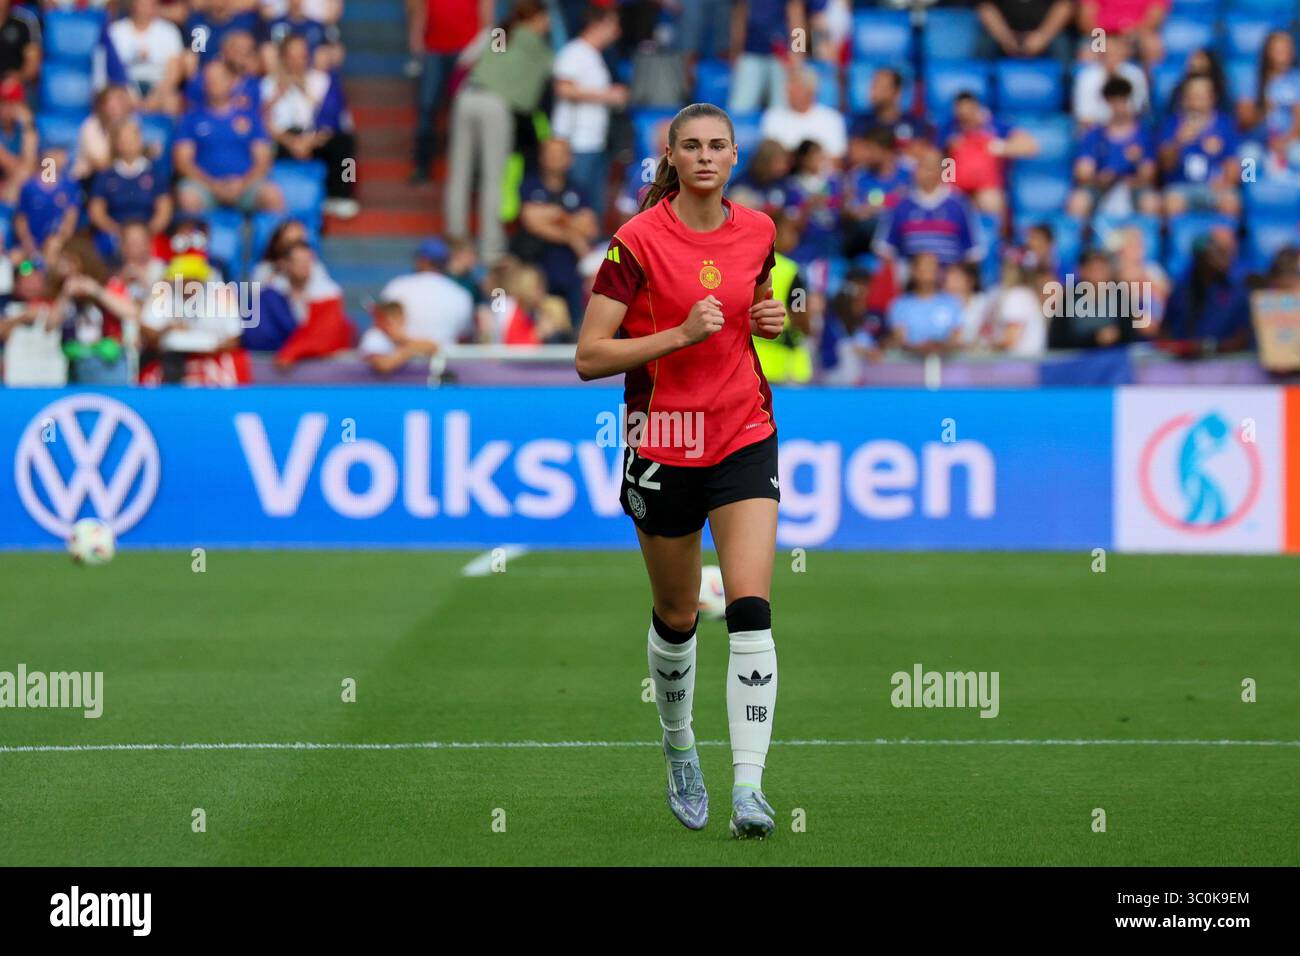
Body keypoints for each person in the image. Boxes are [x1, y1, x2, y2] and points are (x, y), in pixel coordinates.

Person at [575, 102, 787, 840]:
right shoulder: (636, 240)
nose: (704, 156)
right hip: (663, 439)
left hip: (741, 431)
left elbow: (754, 302)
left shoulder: (759, 230)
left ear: (735, 157)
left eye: (717, 146)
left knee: (751, 608)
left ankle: (750, 788)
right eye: (691, 146)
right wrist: (676, 333)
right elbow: (589, 357)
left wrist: (770, 317)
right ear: (671, 154)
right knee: (677, 614)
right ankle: (679, 746)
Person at [444, 0, 553, 264]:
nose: (548, 25)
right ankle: (490, 247)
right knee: (493, 177)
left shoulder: (496, 30)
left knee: (458, 173)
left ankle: (456, 240)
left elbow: (464, 61)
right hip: (496, 107)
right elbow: (531, 98)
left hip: (467, 97)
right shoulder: (540, 48)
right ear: (536, 18)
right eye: (545, 19)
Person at [174, 59, 285, 215]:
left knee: (272, 195)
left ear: (232, 82)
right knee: (188, 198)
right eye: (209, 79)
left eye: (219, 78)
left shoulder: (250, 117)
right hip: (205, 186)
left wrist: (242, 184)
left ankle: (277, 239)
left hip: (245, 185)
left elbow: (263, 159)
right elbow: (183, 162)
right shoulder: (191, 119)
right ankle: (197, 239)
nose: (214, 83)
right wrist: (213, 186)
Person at [550, 5, 626, 218]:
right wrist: (608, 95)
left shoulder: (594, 55)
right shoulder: (575, 51)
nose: (617, 31)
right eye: (613, 24)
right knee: (576, 204)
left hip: (594, 141)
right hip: (576, 142)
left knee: (594, 205)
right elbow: (563, 88)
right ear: (598, 25)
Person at [515, 136, 599, 326]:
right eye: (549, 154)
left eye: (559, 155)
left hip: (571, 274)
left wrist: (555, 216)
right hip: (537, 270)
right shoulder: (529, 186)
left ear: (570, 159)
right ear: (541, 157)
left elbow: (589, 227)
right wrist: (571, 234)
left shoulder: (579, 190)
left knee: (574, 327)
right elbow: (531, 221)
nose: (554, 159)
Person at [409, 0, 493, 183]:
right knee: (426, 105)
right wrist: (416, 35)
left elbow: (487, 13)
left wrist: (483, 50)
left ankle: (471, 170)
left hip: (467, 49)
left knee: (464, 110)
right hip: (433, 48)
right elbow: (420, 8)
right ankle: (422, 166)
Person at [1068, 76, 1158, 219]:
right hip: (1100, 187)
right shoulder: (1094, 134)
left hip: (1133, 187)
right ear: (1107, 102)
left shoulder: (1144, 135)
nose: (1119, 105)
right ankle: (1081, 238)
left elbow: (1148, 174)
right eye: (1114, 100)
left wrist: (1131, 178)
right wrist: (1100, 179)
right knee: (1078, 201)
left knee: (1151, 203)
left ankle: (1147, 239)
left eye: (1123, 99)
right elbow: (1083, 172)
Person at [374, 237, 475, 354]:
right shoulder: (460, 294)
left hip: (403, 366)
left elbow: (382, 326)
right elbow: (464, 335)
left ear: (422, 260)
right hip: (443, 364)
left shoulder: (397, 287)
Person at [1158, 74, 1239, 218]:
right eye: (1192, 95)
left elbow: (1236, 165)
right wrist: (1178, 142)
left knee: (1231, 203)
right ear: (1184, 98)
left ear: (1212, 98)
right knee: (1171, 203)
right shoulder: (1172, 124)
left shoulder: (1225, 124)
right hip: (1181, 187)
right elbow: (1165, 166)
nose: (1196, 101)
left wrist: (1225, 181)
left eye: (1202, 95)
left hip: (1215, 187)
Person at [110, 0, 186, 112]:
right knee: (113, 101)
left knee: (172, 102)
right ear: (133, 5)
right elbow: (113, 68)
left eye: (150, 4)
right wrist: (130, 95)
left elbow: (174, 71)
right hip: (126, 86)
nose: (145, 8)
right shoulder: (116, 31)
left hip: (158, 86)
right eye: (142, 4)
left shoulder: (169, 31)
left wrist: (156, 97)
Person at [758, 66, 847, 161]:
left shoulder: (832, 119)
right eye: (788, 89)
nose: (788, 93)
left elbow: (837, 156)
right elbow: (770, 155)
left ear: (810, 92)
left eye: (796, 89)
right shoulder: (773, 117)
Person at [886, 252, 964, 355]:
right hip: (909, 367)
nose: (930, 271)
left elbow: (956, 338)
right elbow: (900, 339)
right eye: (925, 266)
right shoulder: (900, 304)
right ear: (914, 271)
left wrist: (939, 347)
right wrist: (920, 348)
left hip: (945, 367)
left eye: (934, 266)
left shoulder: (952, 303)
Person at [0, 74, 35, 205]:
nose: (6, 109)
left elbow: (30, 161)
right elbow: (11, 165)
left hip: (16, 184)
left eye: (12, 103)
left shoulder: (26, 127)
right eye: (2, 103)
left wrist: (27, 125)